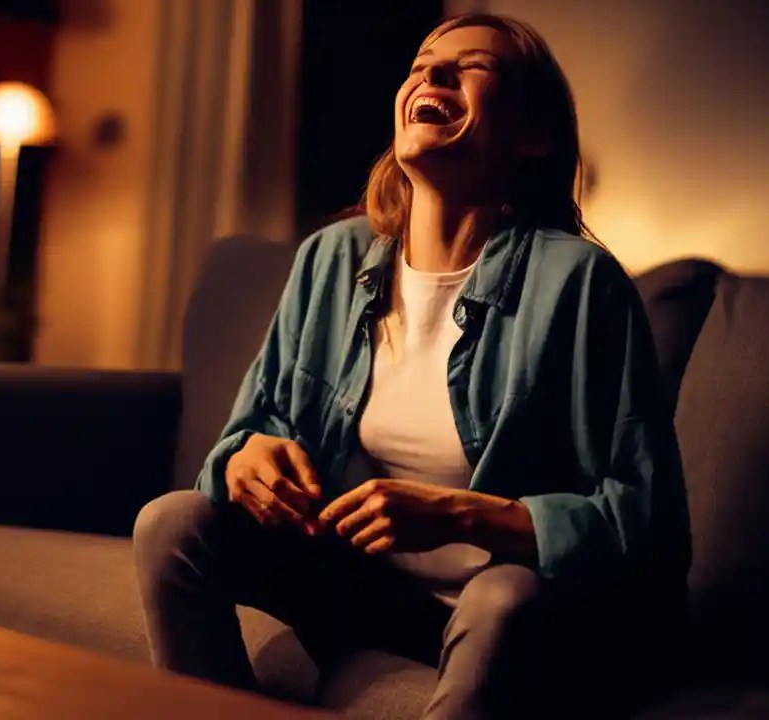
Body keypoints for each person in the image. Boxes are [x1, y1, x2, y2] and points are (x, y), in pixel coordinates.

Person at [133, 13, 690, 720]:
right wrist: (247, 459)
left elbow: (648, 523)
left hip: (510, 608)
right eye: (423, 63)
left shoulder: (579, 282)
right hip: (361, 589)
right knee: (171, 523)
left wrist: (461, 515)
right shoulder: (330, 259)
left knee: (501, 597)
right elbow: (247, 433)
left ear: (532, 134)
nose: (433, 72)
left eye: (473, 65)